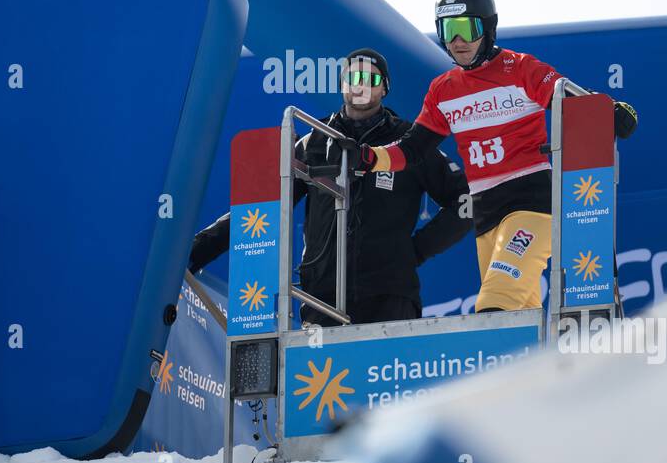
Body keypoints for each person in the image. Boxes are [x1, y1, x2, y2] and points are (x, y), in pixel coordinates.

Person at [359, 0, 637, 312]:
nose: (457, 41)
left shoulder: (519, 68)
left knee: (496, 303)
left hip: (531, 203)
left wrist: (607, 111)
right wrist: (367, 157)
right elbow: (413, 149)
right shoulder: (443, 90)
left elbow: (567, 99)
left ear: (488, 28)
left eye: (467, 29)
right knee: (520, 319)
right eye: (448, 30)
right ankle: (538, 364)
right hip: (486, 214)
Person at [188, 48, 471, 325]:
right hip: (322, 297)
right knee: (324, 375)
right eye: (353, 78)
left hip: (388, 295)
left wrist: (415, 251)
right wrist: (194, 253)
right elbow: (261, 211)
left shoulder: (408, 143)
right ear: (341, 86)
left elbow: (466, 201)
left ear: (384, 88)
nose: (360, 86)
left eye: (371, 80)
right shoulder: (314, 142)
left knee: (379, 371)